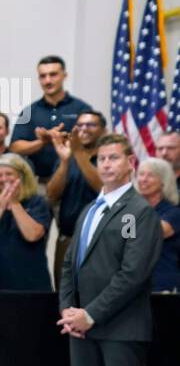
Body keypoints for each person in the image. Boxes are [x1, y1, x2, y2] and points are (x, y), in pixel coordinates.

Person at [45, 134, 162, 366]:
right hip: (80, 326)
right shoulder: (89, 210)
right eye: (102, 159)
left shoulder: (138, 212)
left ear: (130, 163)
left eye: (114, 158)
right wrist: (68, 310)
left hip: (121, 329)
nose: (107, 164)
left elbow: (133, 275)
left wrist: (90, 314)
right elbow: (69, 265)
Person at [10, 55, 95, 181]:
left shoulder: (82, 109)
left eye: (53, 74)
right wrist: (42, 141)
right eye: (43, 76)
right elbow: (15, 148)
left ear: (64, 76)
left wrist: (63, 139)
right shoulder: (29, 111)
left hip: (75, 183)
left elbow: (93, 144)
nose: (47, 81)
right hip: (38, 183)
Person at [0, 153, 52, 291]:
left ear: (21, 176)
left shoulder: (37, 201)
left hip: (31, 284)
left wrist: (14, 203)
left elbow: (33, 235)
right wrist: (1, 207)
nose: (3, 179)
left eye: (9, 173)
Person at [46, 111, 105, 287]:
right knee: (64, 295)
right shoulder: (67, 156)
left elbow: (103, 188)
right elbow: (52, 194)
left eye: (91, 125)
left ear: (103, 130)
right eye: (80, 125)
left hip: (99, 240)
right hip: (68, 239)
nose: (84, 129)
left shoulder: (107, 157)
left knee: (96, 294)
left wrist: (78, 152)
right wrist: (65, 161)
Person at [136, 157, 180, 292]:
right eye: (141, 174)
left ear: (163, 182)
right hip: (135, 285)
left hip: (162, 284)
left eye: (150, 175)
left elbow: (150, 235)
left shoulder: (174, 213)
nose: (143, 179)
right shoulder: (132, 210)